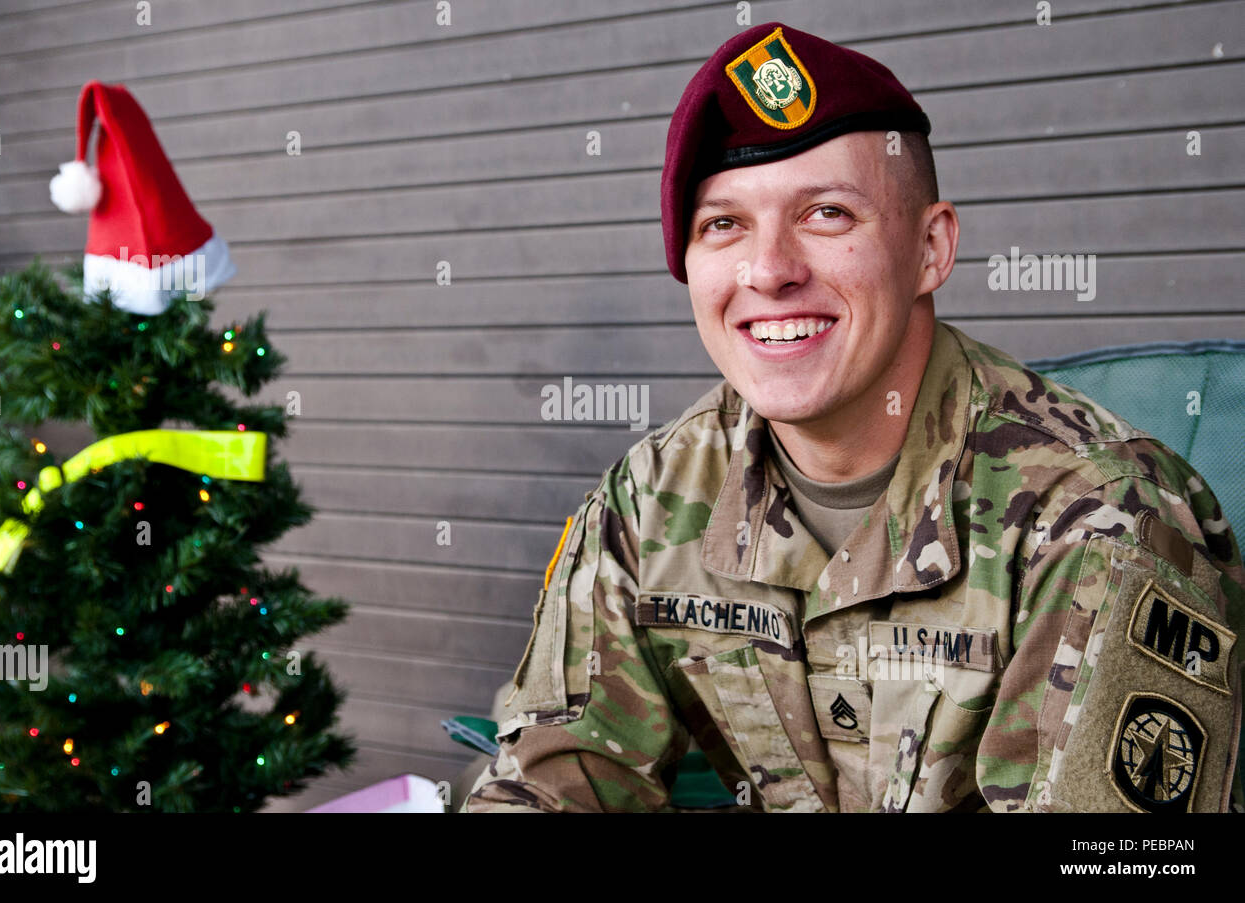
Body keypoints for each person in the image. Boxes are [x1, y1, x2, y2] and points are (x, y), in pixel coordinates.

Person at [461, 22, 1244, 812]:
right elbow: (552, 776)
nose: (768, 270)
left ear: (931, 248)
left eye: (827, 213)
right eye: (723, 224)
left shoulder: (1098, 518)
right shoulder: (651, 498)